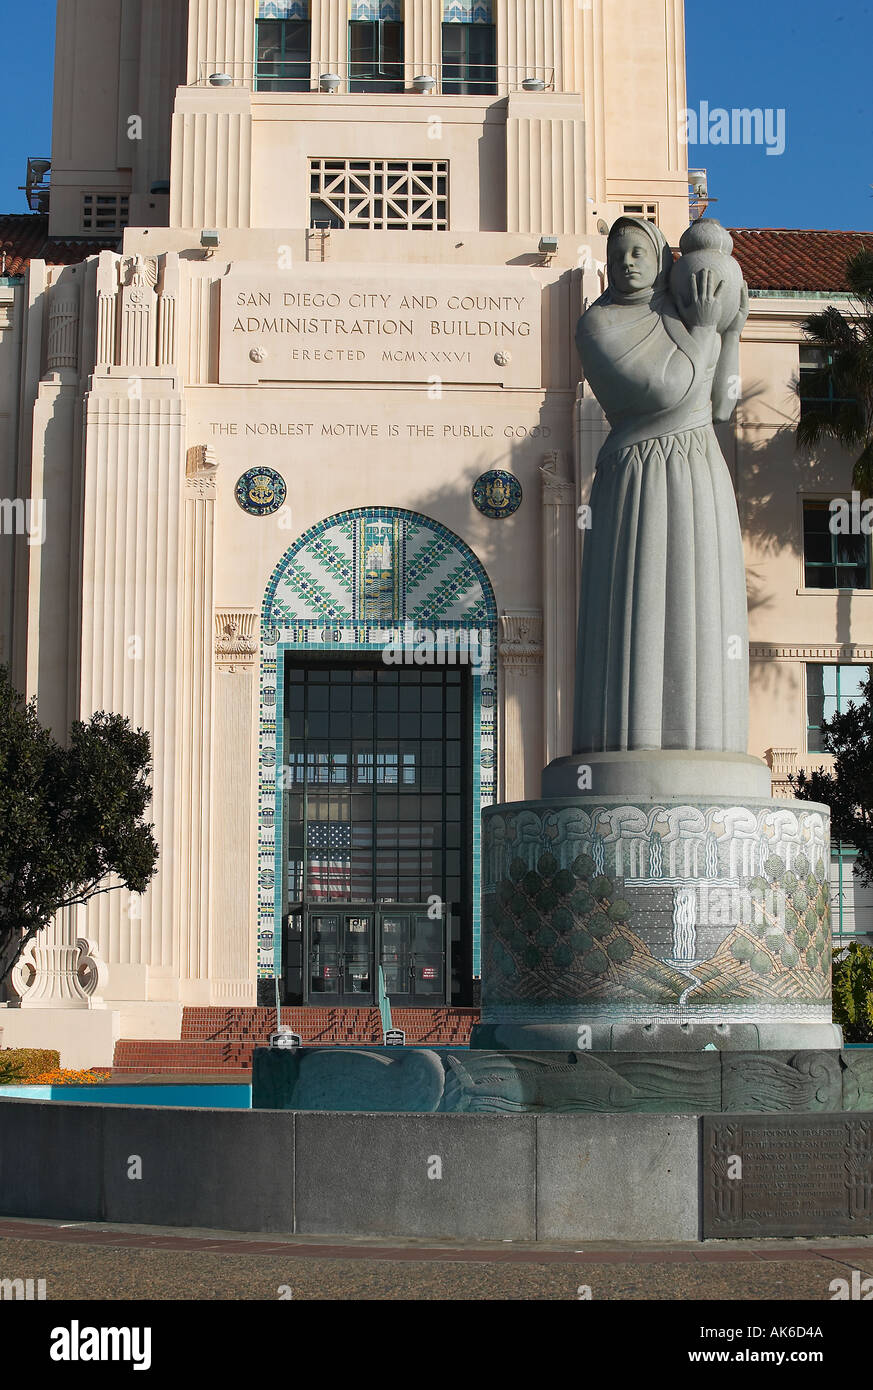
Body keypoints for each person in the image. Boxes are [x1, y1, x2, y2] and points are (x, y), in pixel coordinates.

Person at [573, 215, 750, 754]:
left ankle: (711, 753)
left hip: (699, 466)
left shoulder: (681, 310)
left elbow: (722, 402)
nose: (626, 262)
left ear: (661, 260)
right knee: (637, 608)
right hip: (637, 473)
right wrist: (705, 330)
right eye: (617, 252)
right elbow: (667, 388)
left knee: (703, 601)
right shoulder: (597, 325)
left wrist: (731, 330)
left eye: (637, 252)